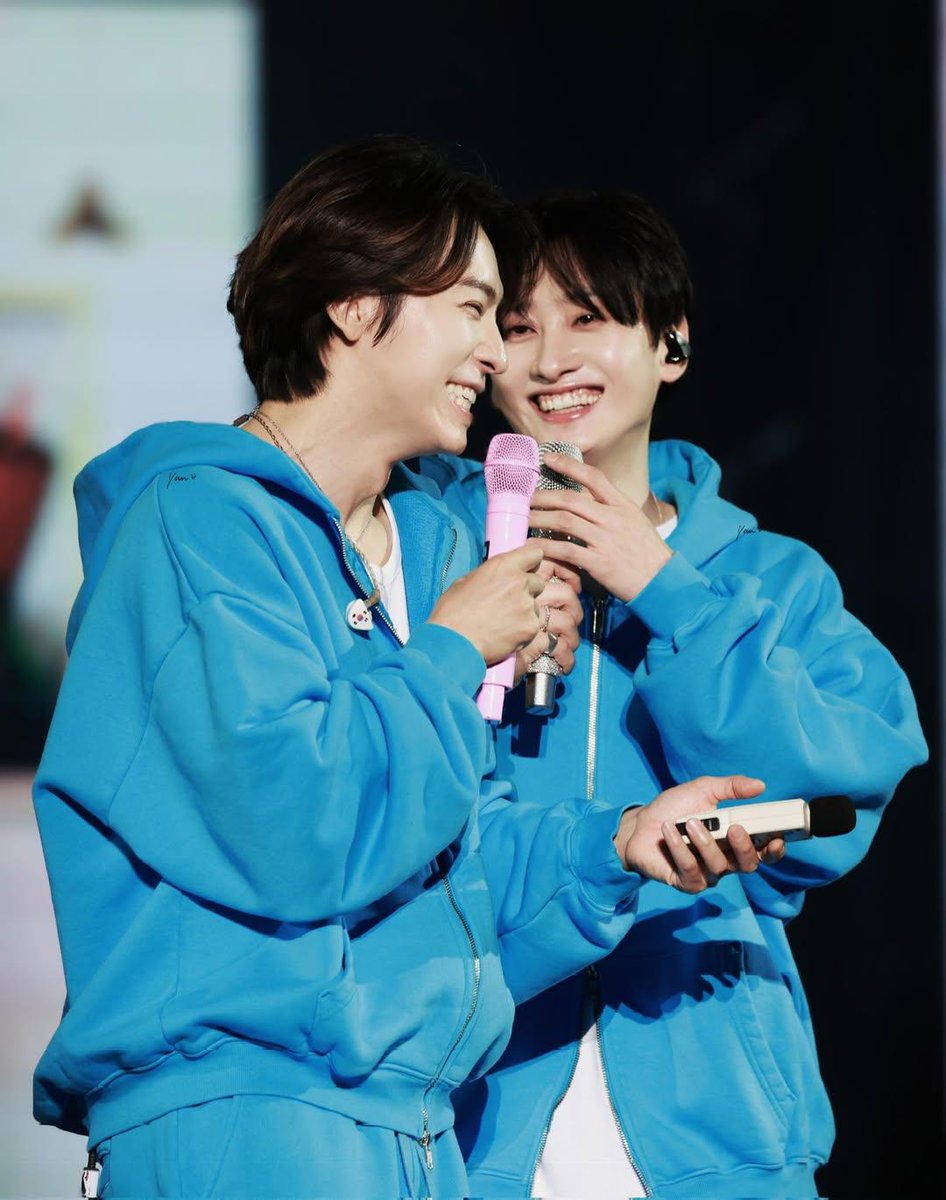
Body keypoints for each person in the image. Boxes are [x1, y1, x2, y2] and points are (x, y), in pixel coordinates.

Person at [31, 139, 779, 1200]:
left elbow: (454, 864)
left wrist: (620, 845)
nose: (496, 350)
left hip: (416, 1130)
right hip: (245, 1120)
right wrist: (451, 646)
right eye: (475, 308)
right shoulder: (197, 523)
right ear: (352, 307)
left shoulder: (429, 547)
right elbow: (290, 817)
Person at [419, 190, 929, 1198]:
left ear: (672, 343)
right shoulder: (433, 552)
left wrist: (664, 590)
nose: (550, 358)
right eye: (516, 327)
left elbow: (836, 805)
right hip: (473, 1126)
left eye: (589, 317)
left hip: (714, 1124)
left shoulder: (768, 579)